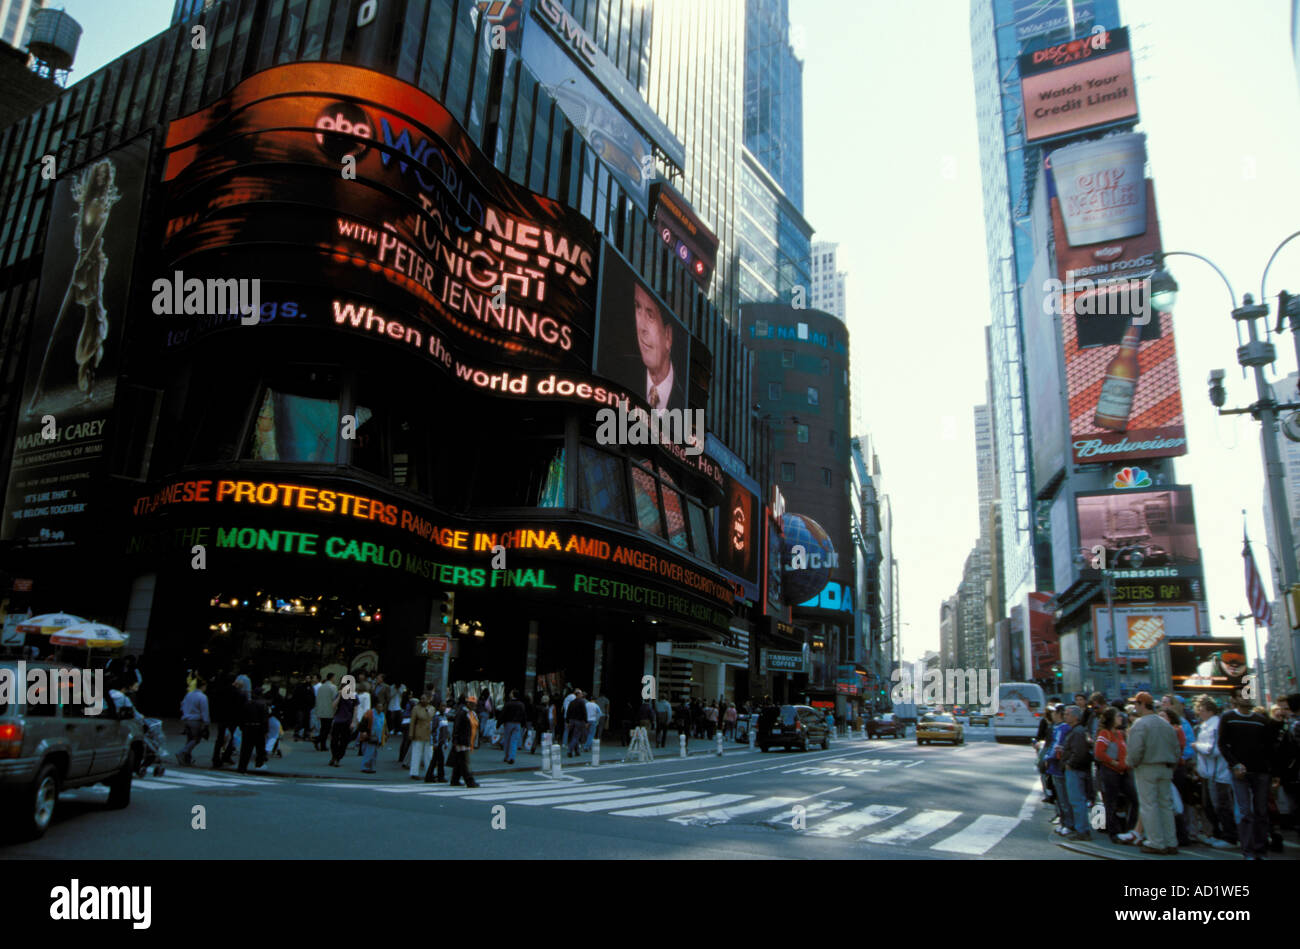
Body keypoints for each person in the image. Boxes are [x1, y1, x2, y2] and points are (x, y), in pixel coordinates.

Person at [1218, 689, 1279, 860]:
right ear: (1235, 699)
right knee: (1245, 812)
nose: (1247, 699)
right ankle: (1248, 851)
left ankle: (1260, 850)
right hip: (1240, 772)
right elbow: (1222, 744)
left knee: (1261, 811)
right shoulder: (1228, 717)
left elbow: (1269, 747)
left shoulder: (1261, 720)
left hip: (1261, 772)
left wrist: (1273, 772)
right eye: (1242, 696)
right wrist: (1234, 764)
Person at [1126, 691, 1181, 855]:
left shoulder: (1140, 724)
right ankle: (1171, 841)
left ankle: (1156, 842)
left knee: (1149, 805)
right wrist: (1172, 765)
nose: (1135, 707)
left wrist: (1131, 763)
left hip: (1147, 767)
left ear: (1142, 704)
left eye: (1136, 703)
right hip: (1166, 767)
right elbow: (1176, 748)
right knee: (1166, 805)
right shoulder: (1165, 724)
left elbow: (1135, 750)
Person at [632, 281, 685, 412]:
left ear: (668, 336)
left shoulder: (686, 403)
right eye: (638, 307)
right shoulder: (620, 372)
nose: (641, 327)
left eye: (650, 316)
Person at [1192, 695, 1237, 849]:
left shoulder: (1216, 725)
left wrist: (1197, 746)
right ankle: (1219, 833)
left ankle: (1229, 836)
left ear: (1210, 711)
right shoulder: (1206, 725)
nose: (1199, 713)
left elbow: (1214, 749)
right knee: (1209, 805)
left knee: (1221, 805)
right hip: (1208, 772)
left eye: (1202, 710)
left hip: (1218, 773)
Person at [1094, 706, 1135, 841]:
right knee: (1111, 802)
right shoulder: (1105, 734)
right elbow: (1099, 753)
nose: (1121, 718)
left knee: (1135, 799)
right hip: (1111, 772)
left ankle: (1131, 829)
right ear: (1111, 719)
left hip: (1123, 772)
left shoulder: (1120, 733)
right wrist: (1113, 762)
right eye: (1117, 716)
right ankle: (1114, 832)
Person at [1061, 706, 1093, 840]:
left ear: (1075, 717)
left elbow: (1078, 752)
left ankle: (1082, 830)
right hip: (1079, 769)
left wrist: (1069, 764)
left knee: (1077, 800)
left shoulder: (1077, 732)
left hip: (1075, 770)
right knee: (1078, 800)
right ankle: (1082, 828)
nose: (1065, 716)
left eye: (1068, 714)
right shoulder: (1078, 731)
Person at [237, 686, 271, 773]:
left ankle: (242, 767)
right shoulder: (263, 705)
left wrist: (242, 727)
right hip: (258, 728)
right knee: (260, 748)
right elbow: (264, 719)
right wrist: (265, 730)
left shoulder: (247, 704)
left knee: (245, 749)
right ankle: (259, 764)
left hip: (247, 728)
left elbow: (241, 717)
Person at [450, 695, 480, 788]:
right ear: (468, 704)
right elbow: (457, 726)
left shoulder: (472, 714)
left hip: (468, 740)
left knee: (460, 761)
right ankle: (469, 781)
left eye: (475, 704)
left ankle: (455, 780)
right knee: (465, 761)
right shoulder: (463, 713)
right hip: (462, 740)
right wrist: (455, 738)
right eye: (472, 704)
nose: (474, 706)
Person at [178, 677, 209, 767]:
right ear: (203, 686)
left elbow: (182, 704)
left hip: (186, 718)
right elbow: (204, 711)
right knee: (196, 739)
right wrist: (206, 723)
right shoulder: (203, 697)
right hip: (196, 720)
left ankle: (187, 759)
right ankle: (182, 752)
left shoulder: (189, 694)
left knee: (189, 739)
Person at [328, 682, 358, 768]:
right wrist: (339, 696)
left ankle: (338, 758)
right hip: (338, 720)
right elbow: (333, 706)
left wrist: (353, 722)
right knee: (334, 741)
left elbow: (355, 710)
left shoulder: (354, 697)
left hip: (347, 721)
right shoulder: (338, 695)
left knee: (344, 742)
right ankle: (334, 756)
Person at [425, 703, 452, 783]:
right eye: (442, 706)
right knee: (439, 760)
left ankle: (430, 776)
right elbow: (433, 731)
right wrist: (434, 743)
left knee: (436, 760)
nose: (443, 708)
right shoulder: (436, 717)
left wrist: (446, 742)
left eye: (444, 706)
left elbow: (446, 731)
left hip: (441, 742)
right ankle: (439, 776)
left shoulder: (444, 717)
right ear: (439, 707)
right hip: (438, 743)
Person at [357, 698, 385, 774]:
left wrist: (385, 735)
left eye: (381, 707)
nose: (380, 708)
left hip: (377, 737)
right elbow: (363, 723)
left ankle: (371, 767)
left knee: (374, 753)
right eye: (379, 707)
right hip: (370, 735)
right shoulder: (369, 713)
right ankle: (365, 767)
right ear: (375, 707)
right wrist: (364, 731)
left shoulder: (382, 715)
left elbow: (384, 725)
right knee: (369, 752)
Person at [315, 673, 339, 752]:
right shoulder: (333, 687)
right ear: (332, 678)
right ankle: (318, 740)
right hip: (329, 710)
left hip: (321, 710)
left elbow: (318, 699)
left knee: (323, 728)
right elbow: (335, 699)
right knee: (327, 729)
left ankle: (322, 744)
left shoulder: (321, 687)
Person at [501, 689, 527, 763]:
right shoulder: (521, 704)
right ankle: (512, 756)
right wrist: (524, 724)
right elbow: (524, 715)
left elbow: (503, 714)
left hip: (509, 722)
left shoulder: (508, 704)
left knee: (507, 740)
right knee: (514, 740)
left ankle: (506, 756)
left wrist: (499, 722)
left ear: (512, 695)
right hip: (517, 723)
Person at [566, 689, 589, 757]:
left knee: (573, 736)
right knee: (576, 736)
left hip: (572, 721)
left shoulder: (572, 702)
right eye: (581, 693)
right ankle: (570, 750)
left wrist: (567, 721)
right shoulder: (582, 702)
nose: (582, 695)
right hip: (579, 721)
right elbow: (584, 712)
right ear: (578, 694)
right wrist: (586, 721)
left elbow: (568, 712)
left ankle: (577, 751)